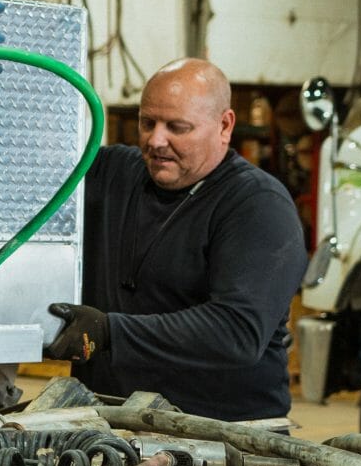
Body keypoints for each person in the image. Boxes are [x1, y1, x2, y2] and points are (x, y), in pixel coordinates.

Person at [43, 57, 307, 421]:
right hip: (110, 424)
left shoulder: (257, 206)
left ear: (224, 126)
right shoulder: (112, 175)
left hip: (226, 436)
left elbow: (238, 332)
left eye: (177, 127)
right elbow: (34, 178)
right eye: (147, 123)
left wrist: (110, 333)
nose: (156, 140)